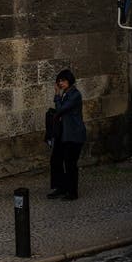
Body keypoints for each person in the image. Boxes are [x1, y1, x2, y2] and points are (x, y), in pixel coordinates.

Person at [47, 69, 87, 201]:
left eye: (63, 80)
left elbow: (61, 109)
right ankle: (61, 187)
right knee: (56, 160)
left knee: (70, 163)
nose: (61, 83)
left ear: (69, 81)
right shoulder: (66, 94)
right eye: (59, 81)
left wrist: (57, 95)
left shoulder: (75, 95)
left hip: (73, 135)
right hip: (63, 134)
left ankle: (72, 192)